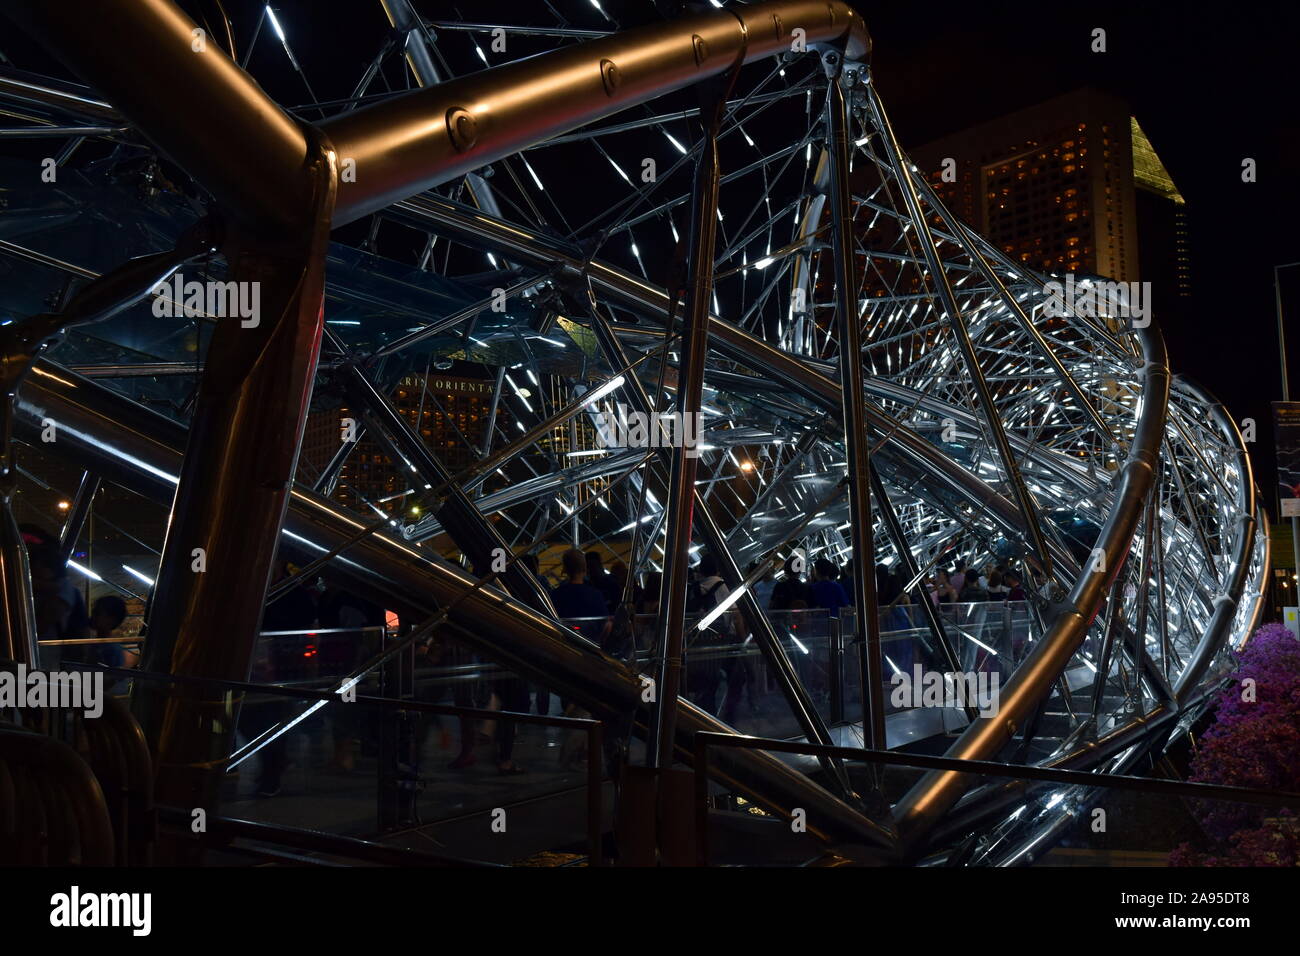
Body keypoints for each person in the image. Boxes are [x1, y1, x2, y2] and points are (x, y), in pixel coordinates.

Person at [688, 554, 746, 724]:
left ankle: (705, 717)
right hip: (722, 640)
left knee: (706, 682)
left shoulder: (693, 587)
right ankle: (728, 716)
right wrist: (742, 638)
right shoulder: (721, 586)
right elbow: (735, 615)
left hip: (698, 641)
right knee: (736, 677)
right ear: (718, 569)